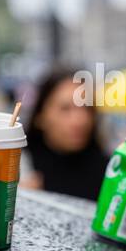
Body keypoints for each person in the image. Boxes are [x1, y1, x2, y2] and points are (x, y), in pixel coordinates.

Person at [19, 69, 110, 201]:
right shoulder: (18, 165)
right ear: (40, 116)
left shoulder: (110, 173)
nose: (80, 120)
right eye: (65, 109)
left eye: (86, 107)